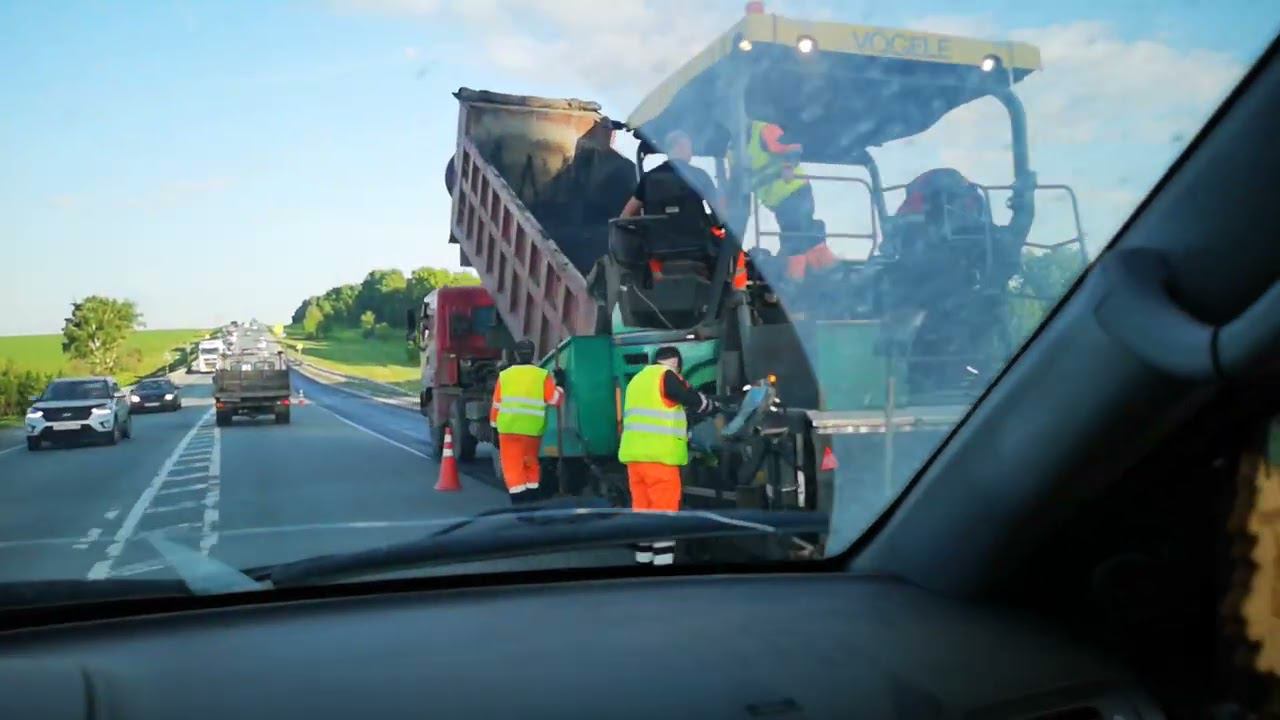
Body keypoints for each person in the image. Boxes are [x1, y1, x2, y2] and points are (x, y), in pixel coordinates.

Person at [617, 345, 717, 566]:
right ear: (676, 363)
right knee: (664, 514)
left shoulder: (637, 380)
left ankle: (643, 561)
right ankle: (663, 566)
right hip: (659, 459)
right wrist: (708, 405)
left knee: (643, 513)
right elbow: (686, 395)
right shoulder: (666, 376)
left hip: (635, 459)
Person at [745, 119, 836, 281]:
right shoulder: (733, 150)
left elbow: (792, 145)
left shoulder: (762, 130)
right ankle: (833, 276)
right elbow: (738, 180)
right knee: (808, 239)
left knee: (794, 241)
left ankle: (793, 286)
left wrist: (788, 164)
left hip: (794, 191)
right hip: (779, 202)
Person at [489, 339, 564, 504]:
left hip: (508, 430)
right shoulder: (541, 375)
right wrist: (561, 383)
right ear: (533, 353)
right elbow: (555, 400)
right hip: (532, 432)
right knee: (531, 464)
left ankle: (519, 505)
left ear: (515, 354)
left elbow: (496, 405)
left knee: (512, 467)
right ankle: (532, 500)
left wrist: (493, 428)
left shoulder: (505, 376)